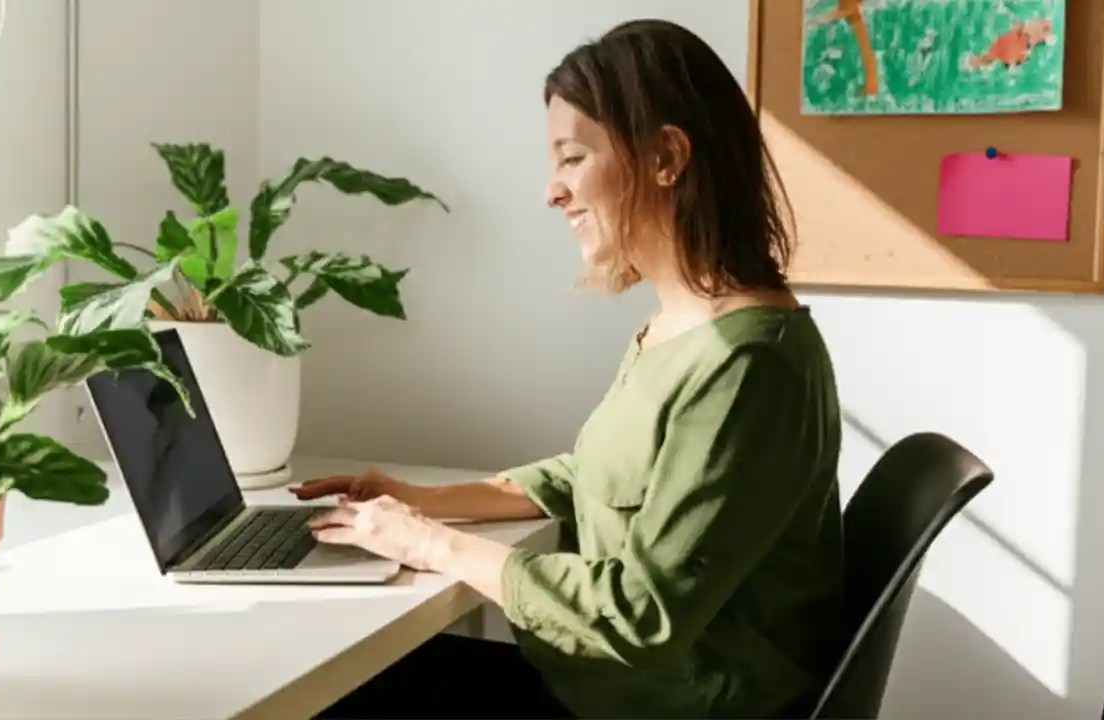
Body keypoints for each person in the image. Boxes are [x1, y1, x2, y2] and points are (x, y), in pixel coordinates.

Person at [294, 18, 846, 720]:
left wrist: (431, 545)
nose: (552, 192)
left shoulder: (746, 364)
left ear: (665, 157)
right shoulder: (684, 329)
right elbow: (596, 474)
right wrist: (416, 500)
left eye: (573, 157)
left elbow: (639, 615)